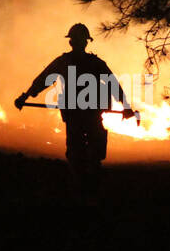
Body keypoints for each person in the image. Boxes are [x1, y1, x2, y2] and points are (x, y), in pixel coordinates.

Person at [15, 23, 136, 175]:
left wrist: (25, 96)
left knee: (77, 154)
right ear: (86, 42)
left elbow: (42, 80)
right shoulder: (95, 63)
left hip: (75, 116)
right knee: (92, 155)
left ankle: (80, 186)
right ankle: (89, 188)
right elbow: (113, 85)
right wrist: (126, 107)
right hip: (89, 115)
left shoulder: (63, 62)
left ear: (71, 42)